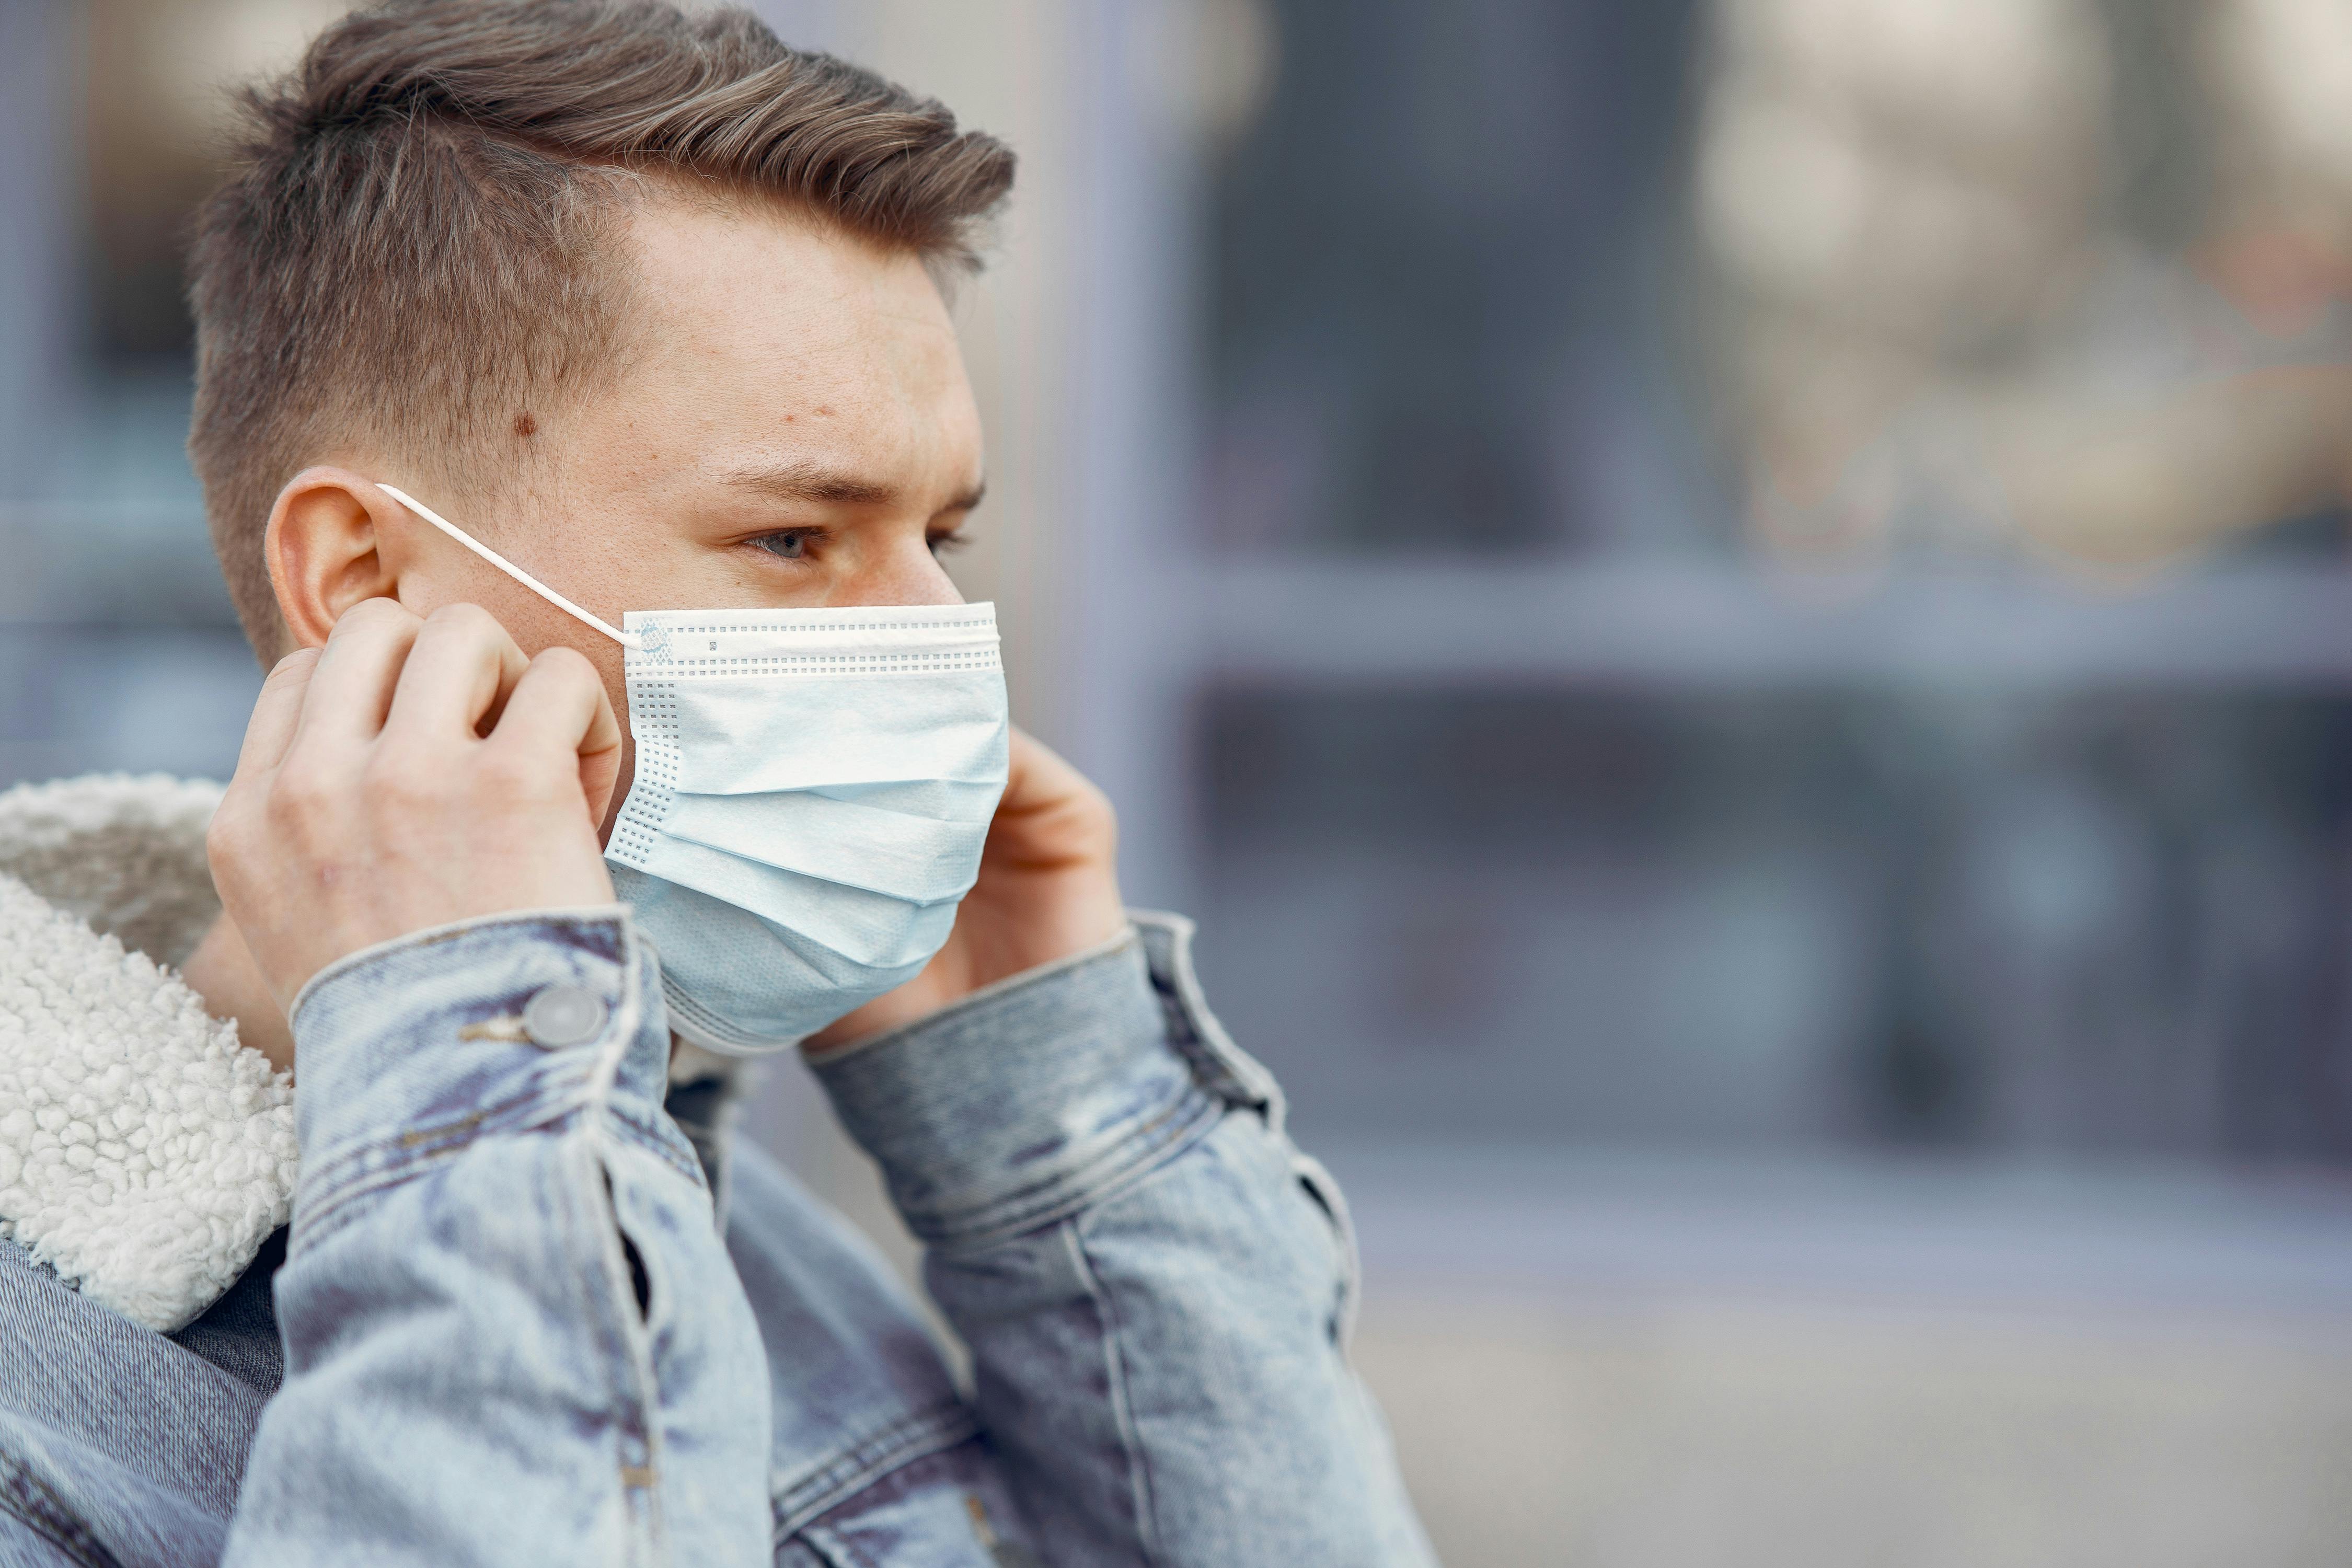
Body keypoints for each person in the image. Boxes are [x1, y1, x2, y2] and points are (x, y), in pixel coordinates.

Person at [0, 3, 1433, 1564]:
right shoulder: (48, 1419)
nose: (934, 643)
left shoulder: (726, 1213)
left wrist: (1051, 1134)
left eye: (939, 538)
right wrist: (479, 1057)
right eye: (794, 538)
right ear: (365, 585)